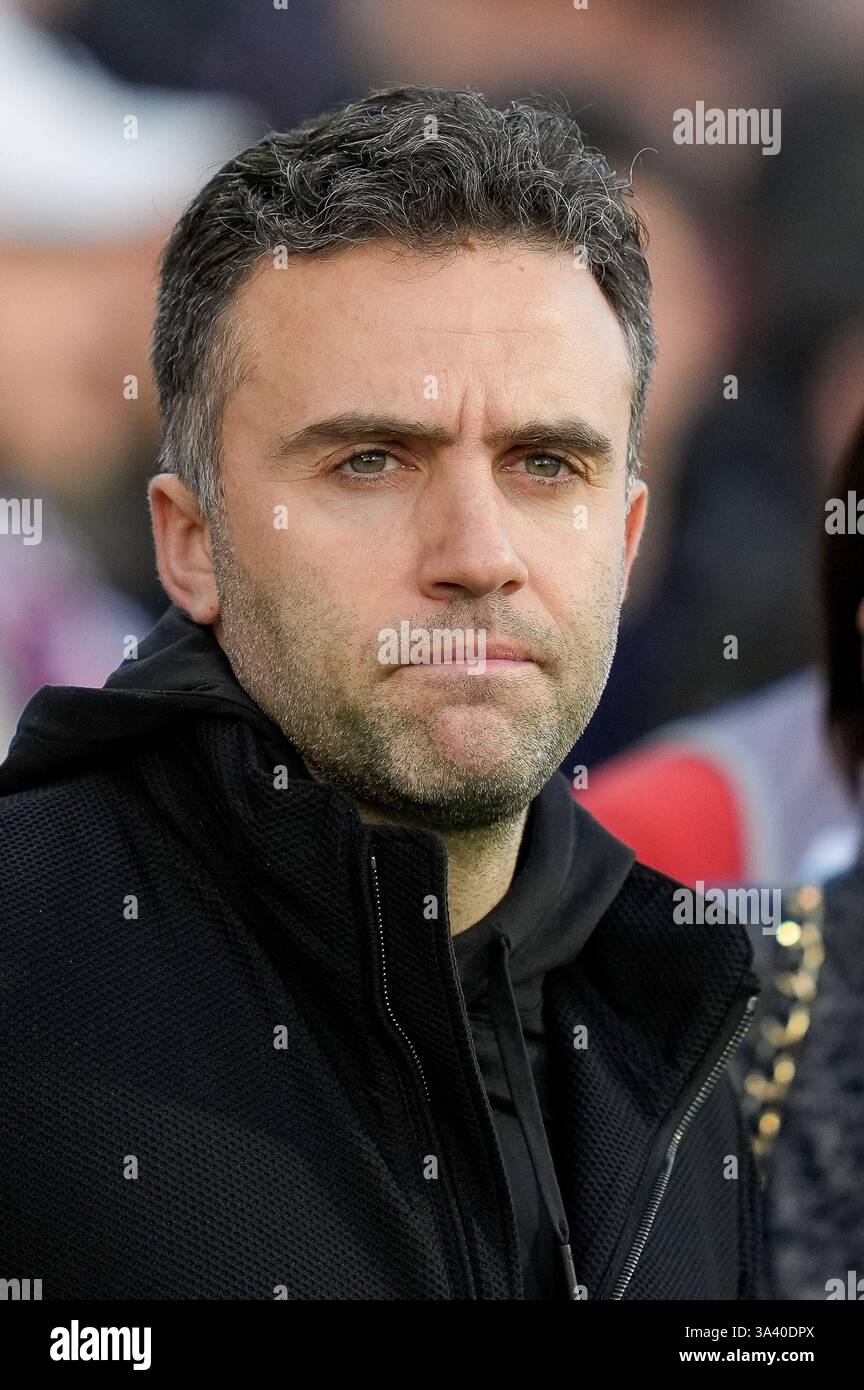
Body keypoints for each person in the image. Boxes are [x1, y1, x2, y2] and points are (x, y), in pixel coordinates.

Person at [0, 85, 764, 1301]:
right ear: (190, 543)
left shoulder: (687, 1022)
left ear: (625, 539)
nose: (476, 550)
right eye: (370, 459)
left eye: (544, 464)